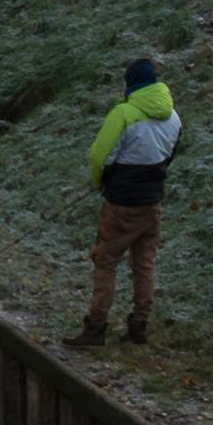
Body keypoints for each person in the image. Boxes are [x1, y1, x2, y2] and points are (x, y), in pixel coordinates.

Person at [75, 52, 183, 347]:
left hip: (122, 204)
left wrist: (101, 182)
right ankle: (139, 325)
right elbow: (169, 157)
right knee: (144, 263)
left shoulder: (123, 114)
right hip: (152, 202)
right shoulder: (173, 118)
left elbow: (100, 156)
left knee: (106, 260)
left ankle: (96, 326)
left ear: (131, 85)